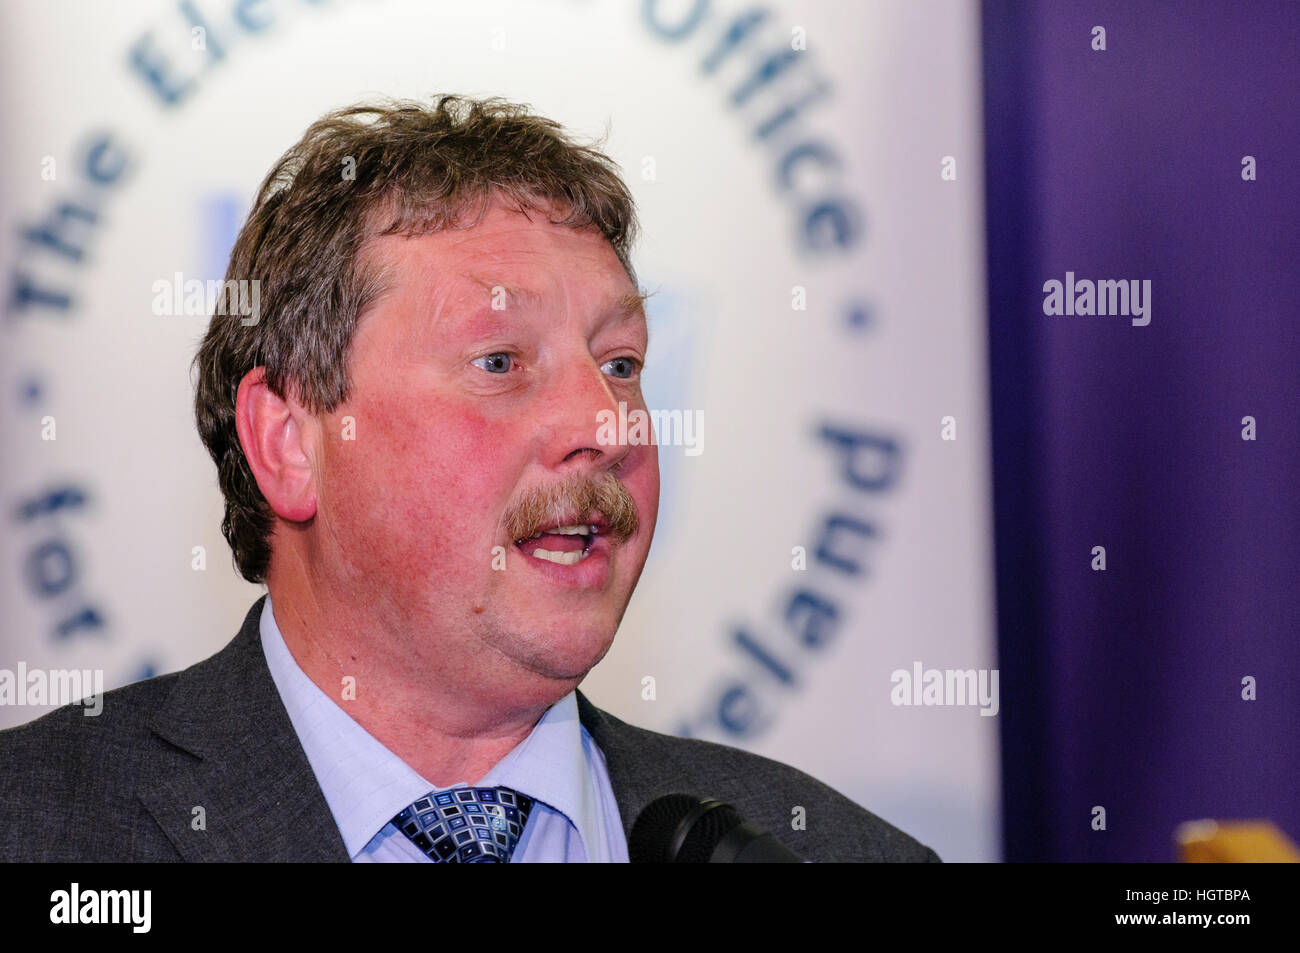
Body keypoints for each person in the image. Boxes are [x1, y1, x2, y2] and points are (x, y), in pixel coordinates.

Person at [0, 94, 939, 863]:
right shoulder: (40, 828)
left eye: (620, 363)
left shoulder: (838, 852)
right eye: (500, 361)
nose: (606, 426)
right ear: (290, 442)